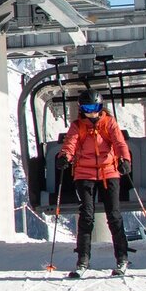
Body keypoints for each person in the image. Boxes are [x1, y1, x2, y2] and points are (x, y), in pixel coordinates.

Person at [56, 90, 132, 277]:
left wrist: (124, 159)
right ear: (81, 109)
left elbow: (119, 142)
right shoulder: (77, 126)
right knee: (87, 216)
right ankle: (83, 260)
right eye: (88, 109)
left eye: (96, 108)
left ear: (101, 107)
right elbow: (70, 144)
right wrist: (65, 156)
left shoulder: (109, 123)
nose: (92, 113)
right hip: (84, 174)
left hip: (108, 172)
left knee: (114, 215)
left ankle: (122, 258)